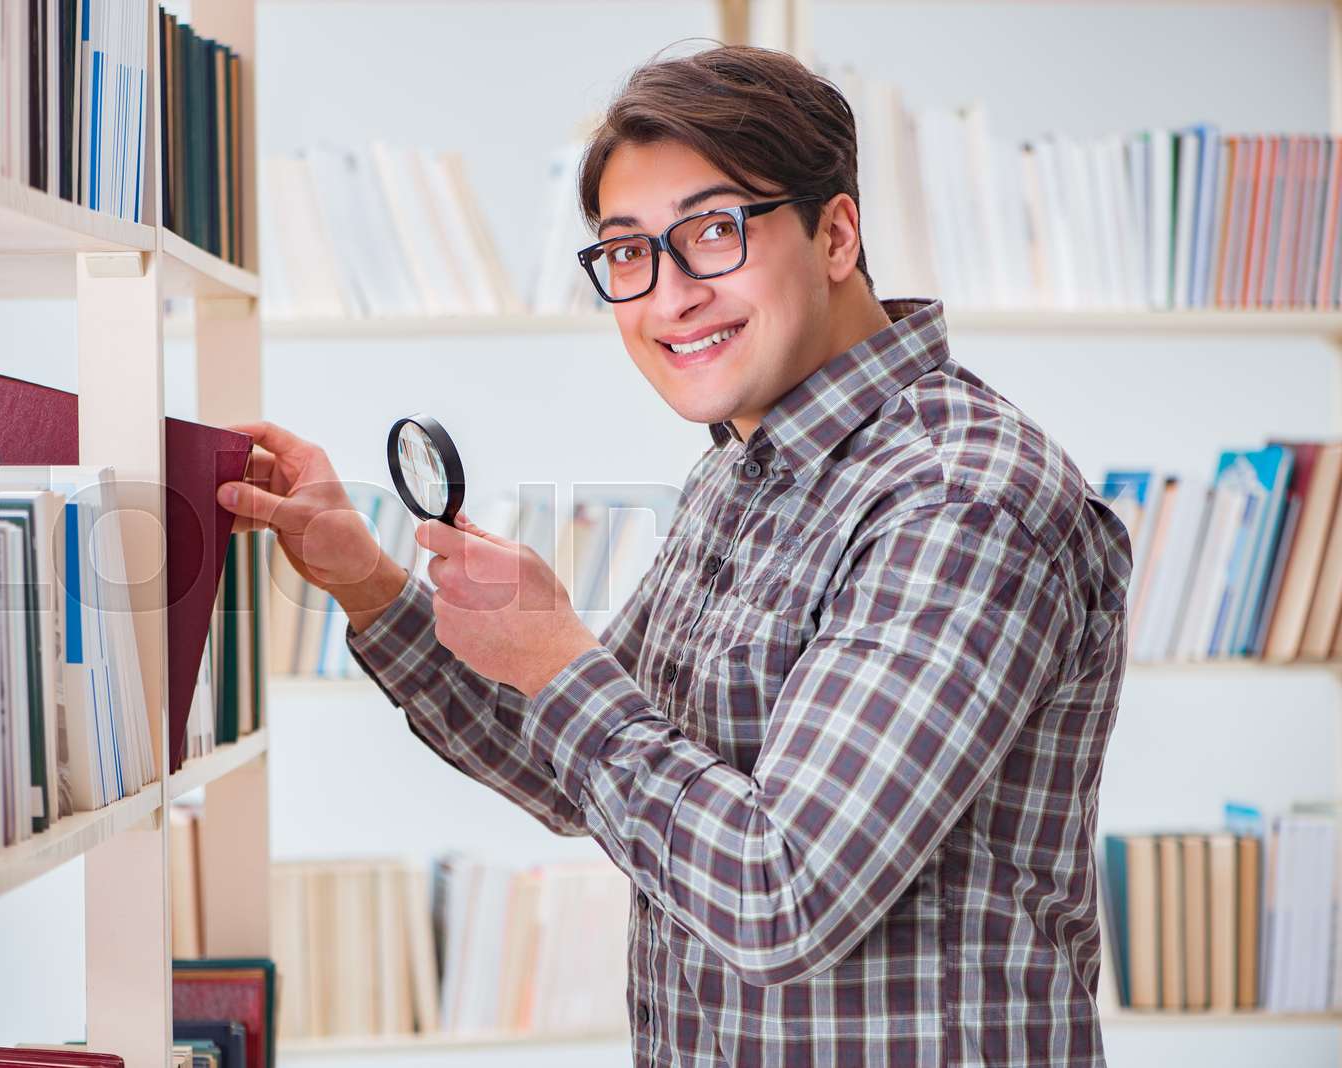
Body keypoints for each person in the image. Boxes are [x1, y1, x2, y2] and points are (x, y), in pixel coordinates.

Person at [218, 44, 1130, 1068]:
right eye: (626, 253)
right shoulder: (743, 471)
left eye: (713, 232)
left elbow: (781, 896)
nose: (667, 297)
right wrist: (372, 585)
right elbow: (586, 771)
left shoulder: (961, 498)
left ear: (836, 234)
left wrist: (561, 658)